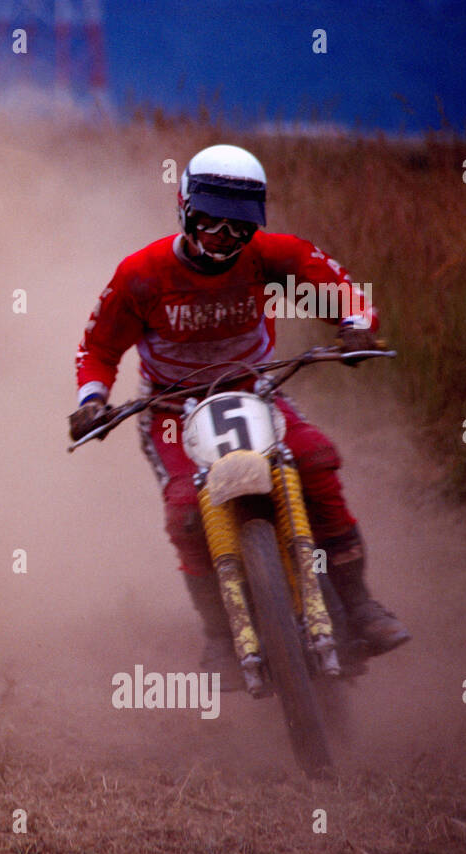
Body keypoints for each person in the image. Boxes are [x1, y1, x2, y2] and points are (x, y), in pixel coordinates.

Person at [68, 144, 411, 688]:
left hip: (256, 390)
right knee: (186, 510)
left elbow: (340, 291)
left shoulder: (275, 256)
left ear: (257, 226)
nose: (224, 238)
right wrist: (91, 402)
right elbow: (99, 349)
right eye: (211, 223)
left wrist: (355, 325)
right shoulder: (141, 274)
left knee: (318, 460)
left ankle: (361, 604)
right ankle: (220, 637)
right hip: (170, 409)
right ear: (185, 209)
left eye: (239, 227)